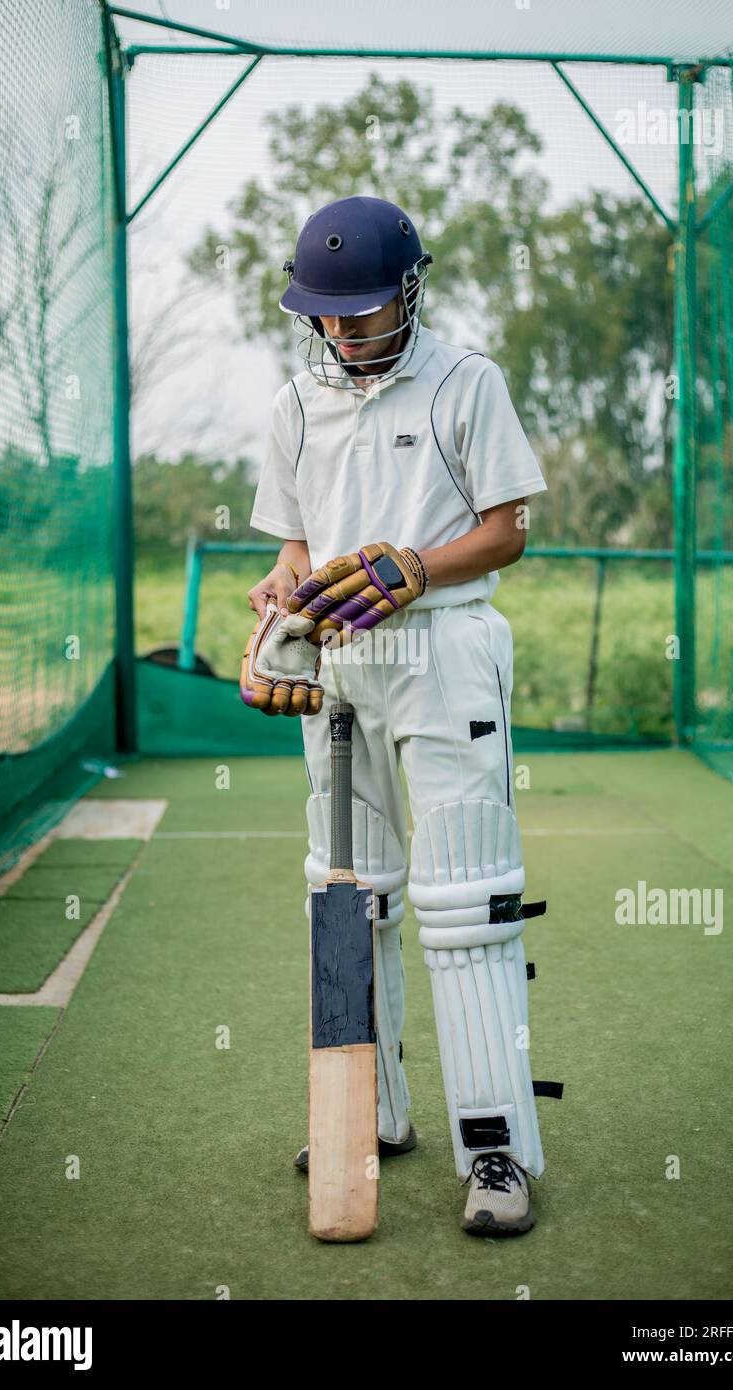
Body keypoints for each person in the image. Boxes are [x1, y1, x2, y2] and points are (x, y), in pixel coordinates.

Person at [242, 195, 558, 1236]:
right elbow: (295, 547)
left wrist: (417, 567)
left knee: (466, 904)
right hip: (339, 665)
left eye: (362, 311)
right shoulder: (295, 404)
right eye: (325, 315)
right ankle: (366, 1116)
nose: (342, 330)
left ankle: (495, 1149)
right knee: (346, 895)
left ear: (410, 292)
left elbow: (507, 531)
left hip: (444, 653)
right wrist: (280, 604)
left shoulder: (466, 381)